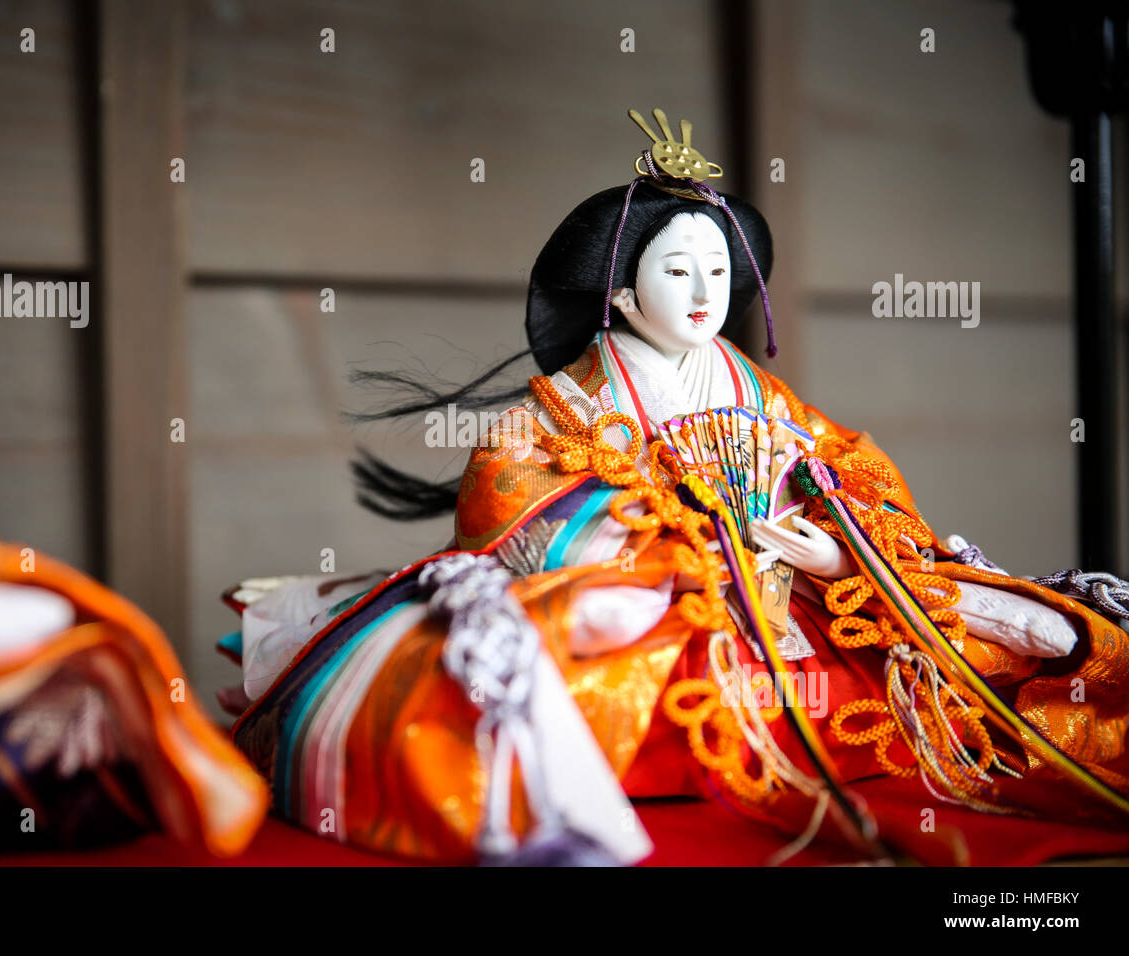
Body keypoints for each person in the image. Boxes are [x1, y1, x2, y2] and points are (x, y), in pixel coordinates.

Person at [221, 109, 1129, 865]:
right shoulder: (566, 407)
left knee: (1020, 630)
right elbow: (507, 510)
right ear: (619, 296)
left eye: (720, 271)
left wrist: (840, 544)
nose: (705, 291)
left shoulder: (755, 391)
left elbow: (847, 466)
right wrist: (673, 548)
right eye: (678, 270)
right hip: (671, 601)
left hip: (800, 595)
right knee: (568, 646)